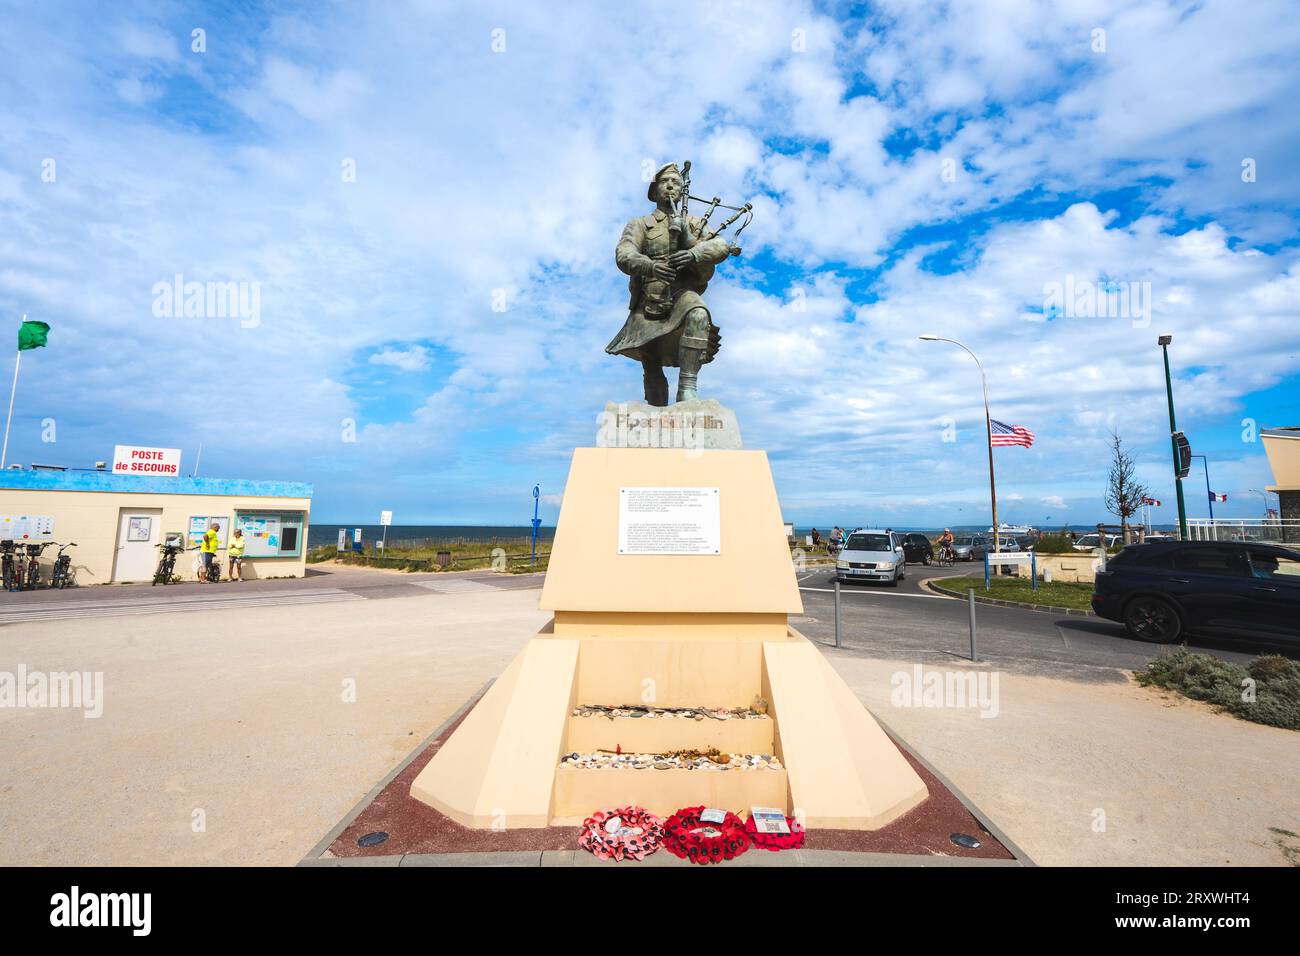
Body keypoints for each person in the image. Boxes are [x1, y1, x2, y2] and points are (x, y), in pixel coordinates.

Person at [606, 162, 734, 405]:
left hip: (680, 294)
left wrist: (692, 249)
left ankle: (688, 390)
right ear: (654, 192)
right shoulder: (640, 225)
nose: (670, 186)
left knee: (698, 314)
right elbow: (624, 254)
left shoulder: (694, 223)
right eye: (665, 182)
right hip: (648, 301)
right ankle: (656, 409)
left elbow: (721, 246)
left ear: (682, 190)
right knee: (651, 361)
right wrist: (650, 266)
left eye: (676, 182)